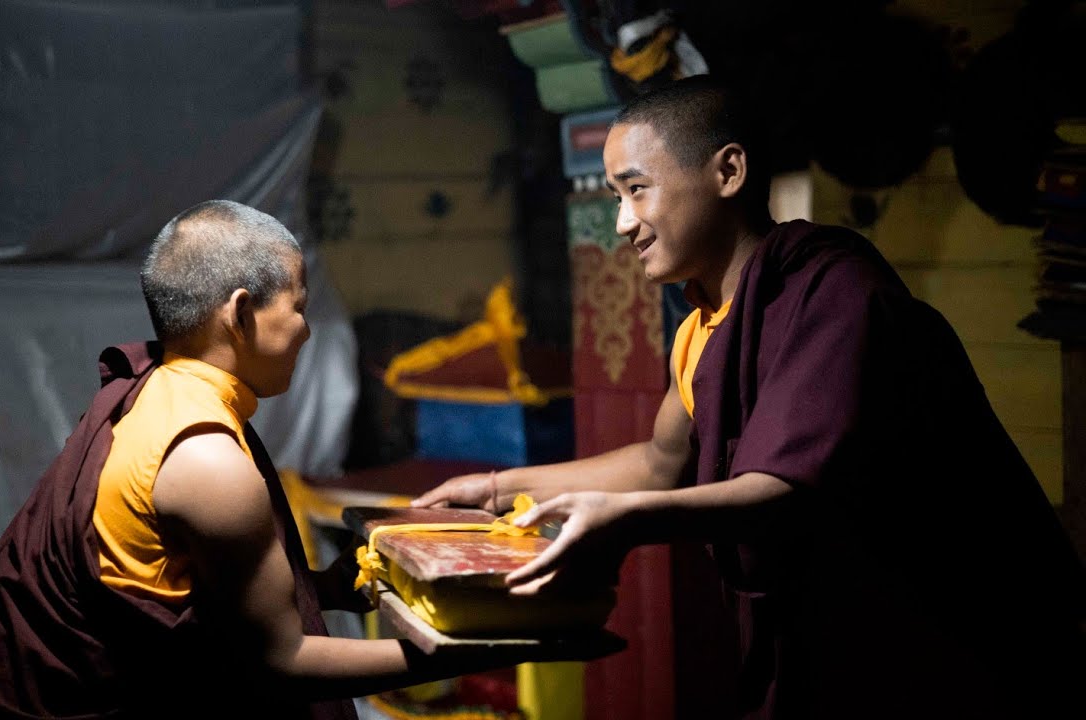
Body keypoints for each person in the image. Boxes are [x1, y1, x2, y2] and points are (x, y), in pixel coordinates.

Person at [413, 75, 1086, 719]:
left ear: (728, 172)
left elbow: (789, 491)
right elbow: (659, 462)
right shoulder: (703, 325)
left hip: (933, 627)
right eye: (616, 197)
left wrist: (625, 521)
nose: (622, 223)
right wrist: (498, 490)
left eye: (637, 190)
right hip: (815, 635)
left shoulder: (836, 293)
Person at [0, 200, 600, 720]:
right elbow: (284, 661)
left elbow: (204, 595)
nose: (305, 328)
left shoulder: (152, 389)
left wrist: (328, 589)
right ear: (240, 313)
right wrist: (496, 647)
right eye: (298, 307)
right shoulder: (207, 461)